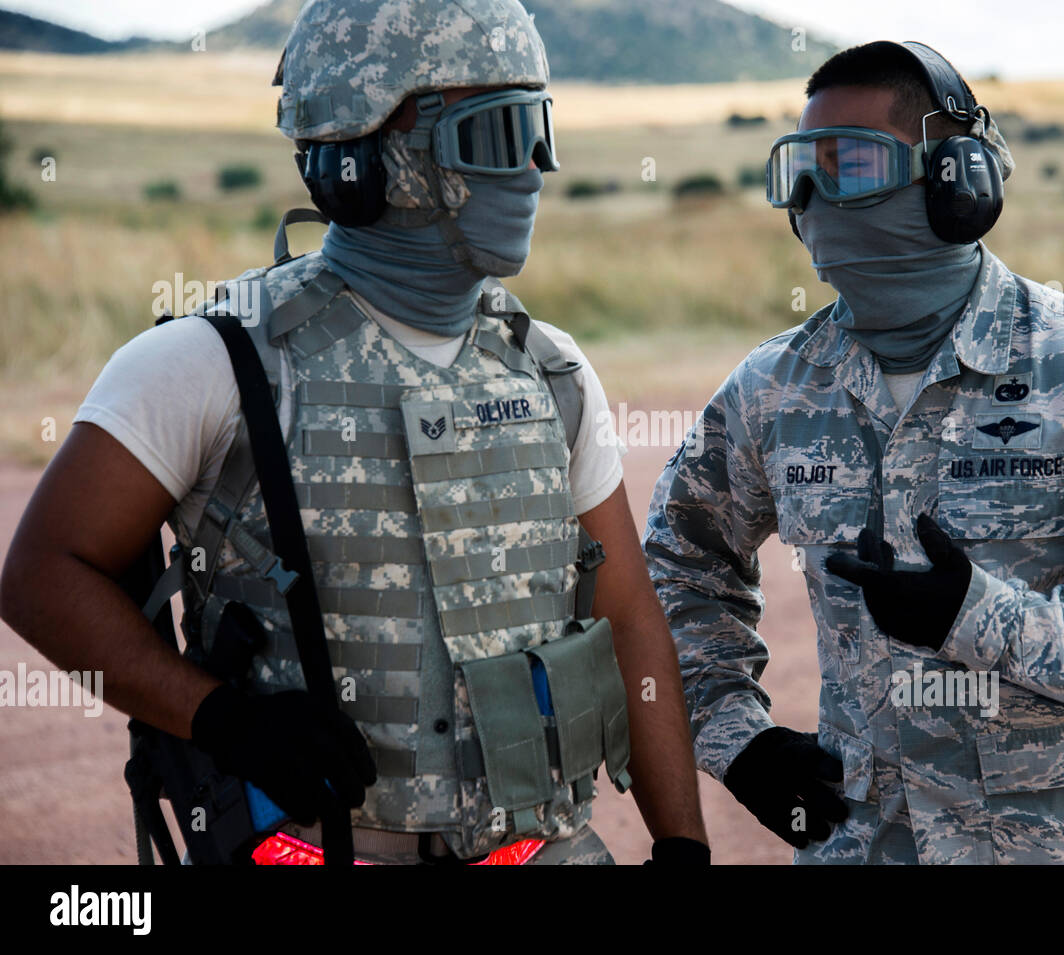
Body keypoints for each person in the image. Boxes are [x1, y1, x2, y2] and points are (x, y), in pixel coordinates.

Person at [0, 0, 707, 866]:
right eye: (495, 135)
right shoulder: (219, 360)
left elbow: (627, 614)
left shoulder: (550, 370)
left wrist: (684, 846)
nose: (530, 170)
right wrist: (221, 718)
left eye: (539, 132)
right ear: (361, 161)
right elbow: (41, 574)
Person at [642, 40, 1064, 864]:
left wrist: (975, 618)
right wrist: (740, 740)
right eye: (800, 171)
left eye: (850, 165)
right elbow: (674, 569)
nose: (815, 200)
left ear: (955, 182)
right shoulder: (771, 388)